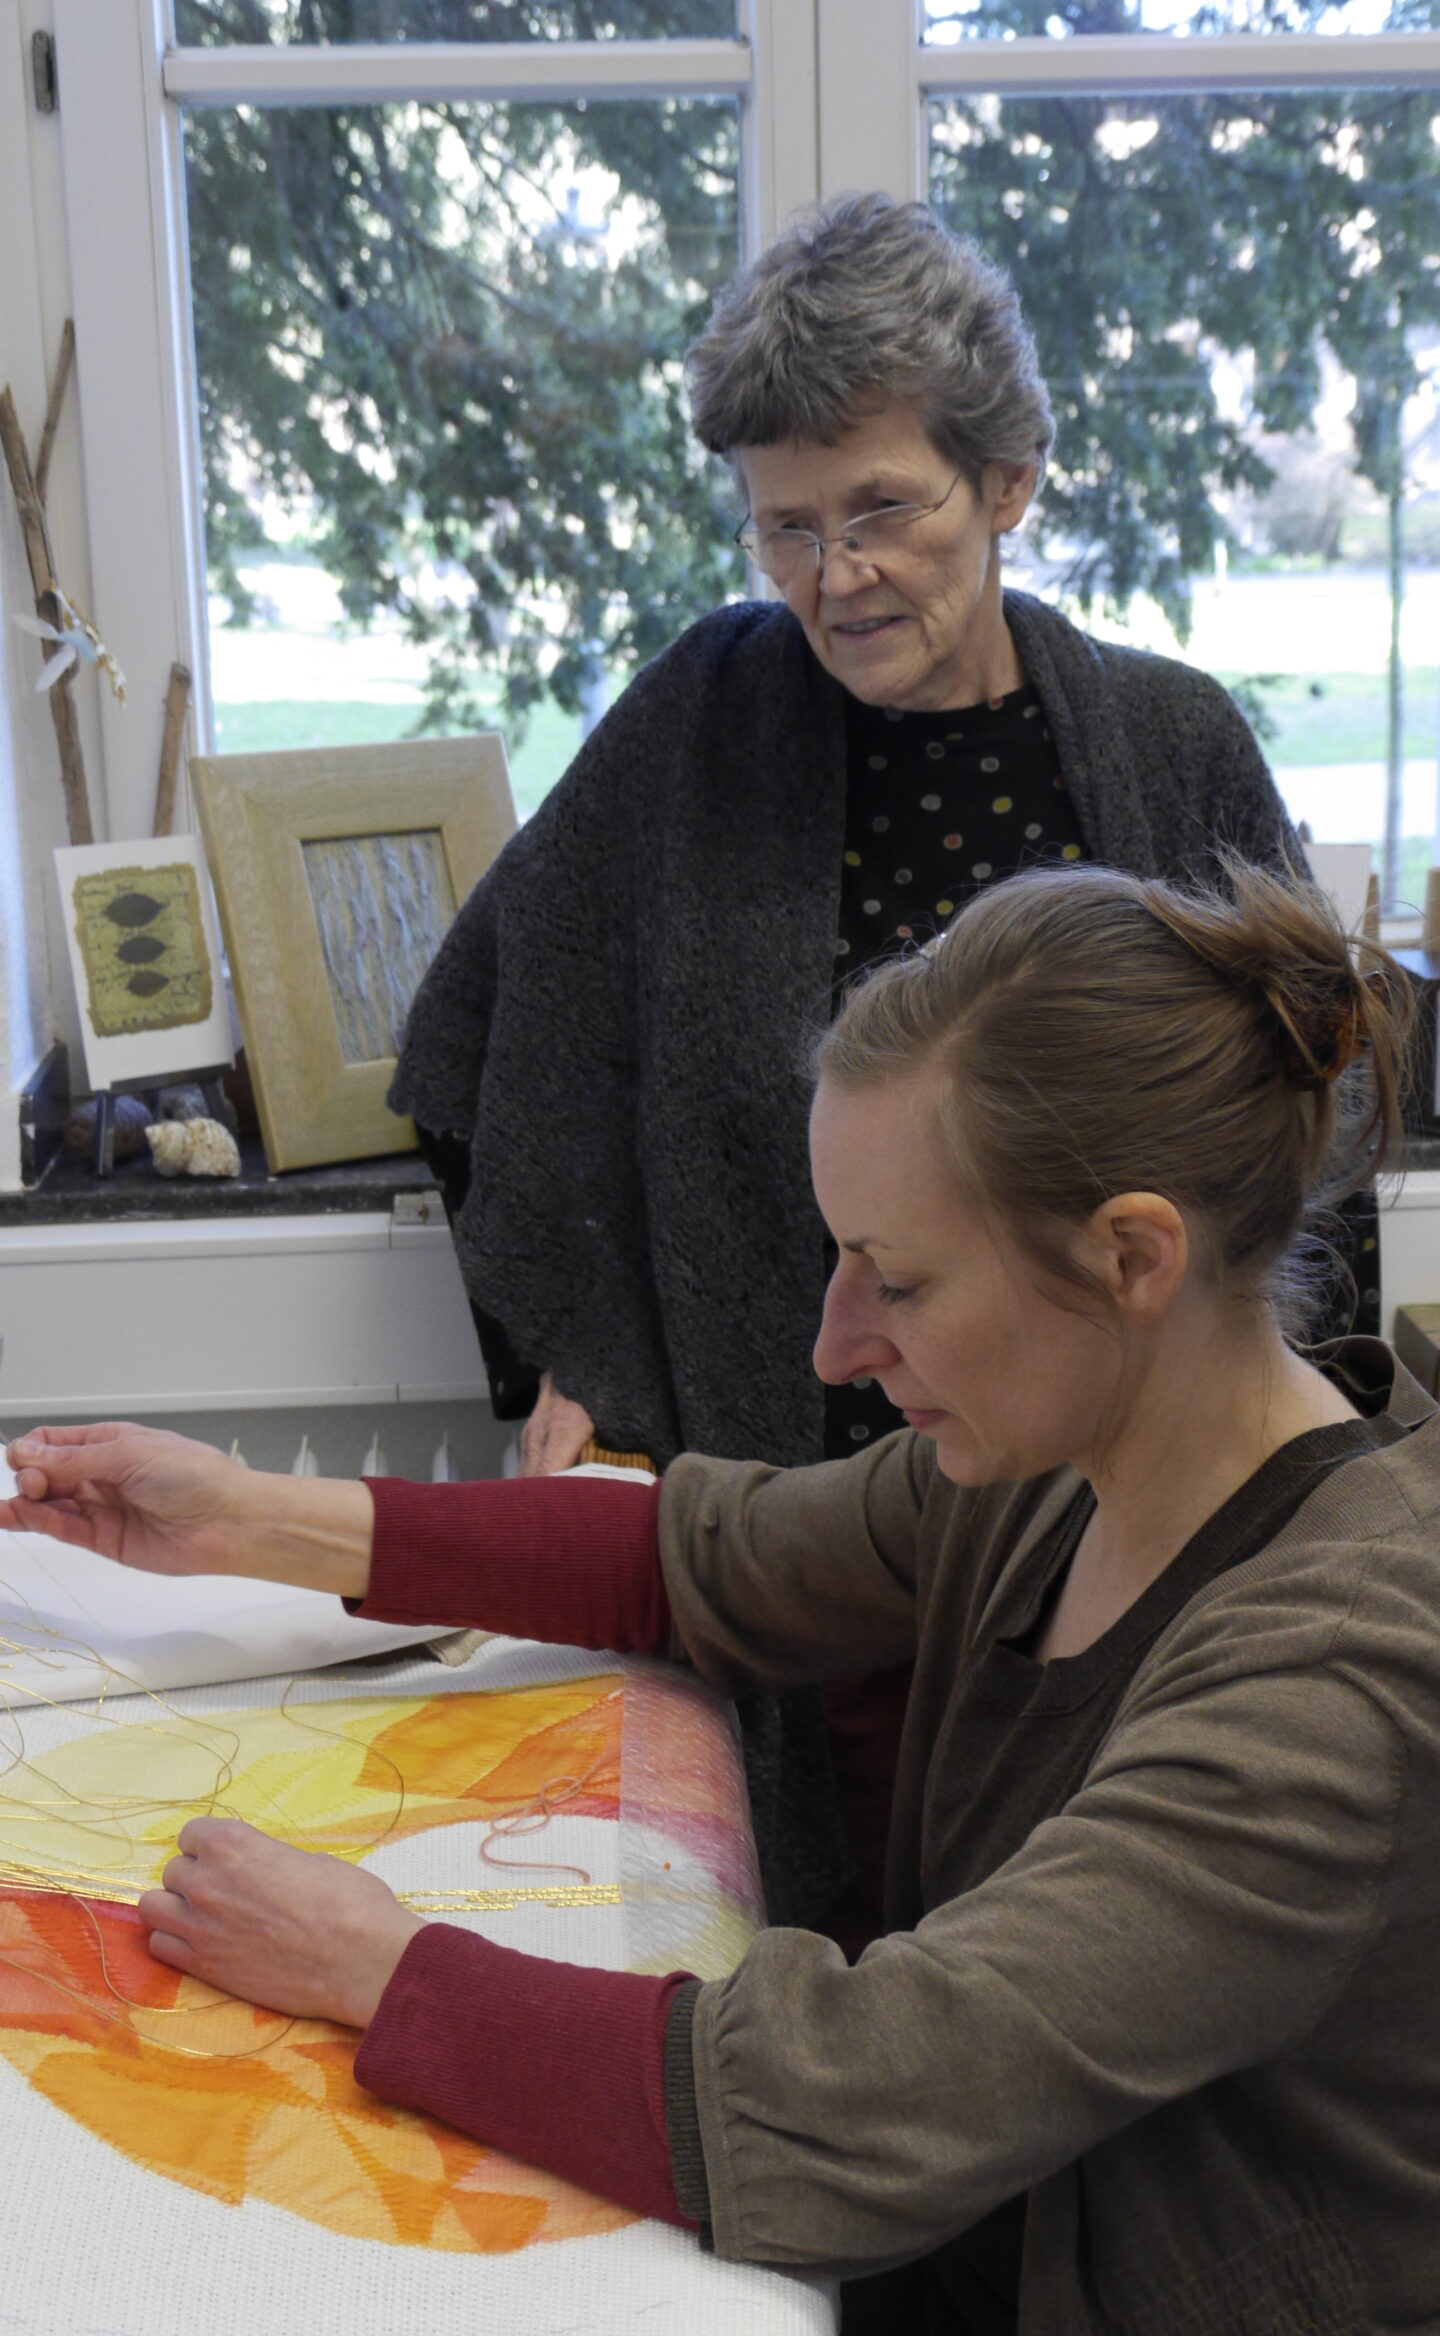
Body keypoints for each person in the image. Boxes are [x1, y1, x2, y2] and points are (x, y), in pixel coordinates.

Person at [5, 861, 1432, 2336]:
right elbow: (715, 1557)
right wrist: (247, 1516)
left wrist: (379, 1968)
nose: (836, 1345)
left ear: (1131, 1257)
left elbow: (871, 2096)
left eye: (896, 1283)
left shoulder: (1340, 1666)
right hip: (1004, 2296)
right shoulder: (1065, 1470)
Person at [393, 190, 1357, 1930]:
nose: (834, 579)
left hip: (1101, 1511)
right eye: (783, 531)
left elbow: (1290, 1116)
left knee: (1075, 1946)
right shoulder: (702, 719)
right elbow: (493, 1023)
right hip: (805, 1500)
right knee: (831, 1931)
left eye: (884, 511)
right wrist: (586, 1351)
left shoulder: (1168, 742)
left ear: (1008, 482)